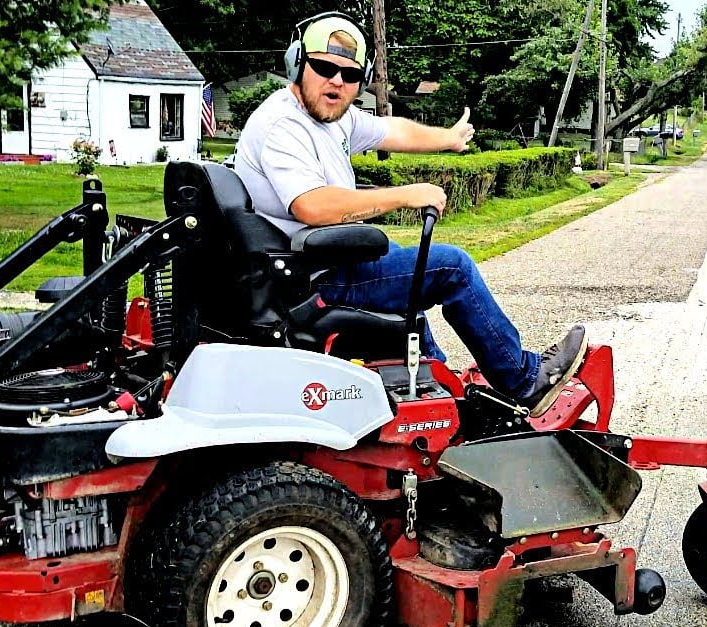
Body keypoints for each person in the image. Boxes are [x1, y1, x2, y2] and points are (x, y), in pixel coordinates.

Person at [233, 12, 585, 416]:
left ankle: (441, 397)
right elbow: (312, 205)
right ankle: (525, 382)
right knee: (453, 267)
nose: (336, 81)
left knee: (411, 287)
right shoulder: (284, 126)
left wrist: (449, 139)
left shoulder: (333, 118)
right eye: (324, 68)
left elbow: (392, 130)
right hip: (311, 280)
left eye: (348, 75)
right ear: (298, 64)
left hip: (319, 265)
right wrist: (406, 195)